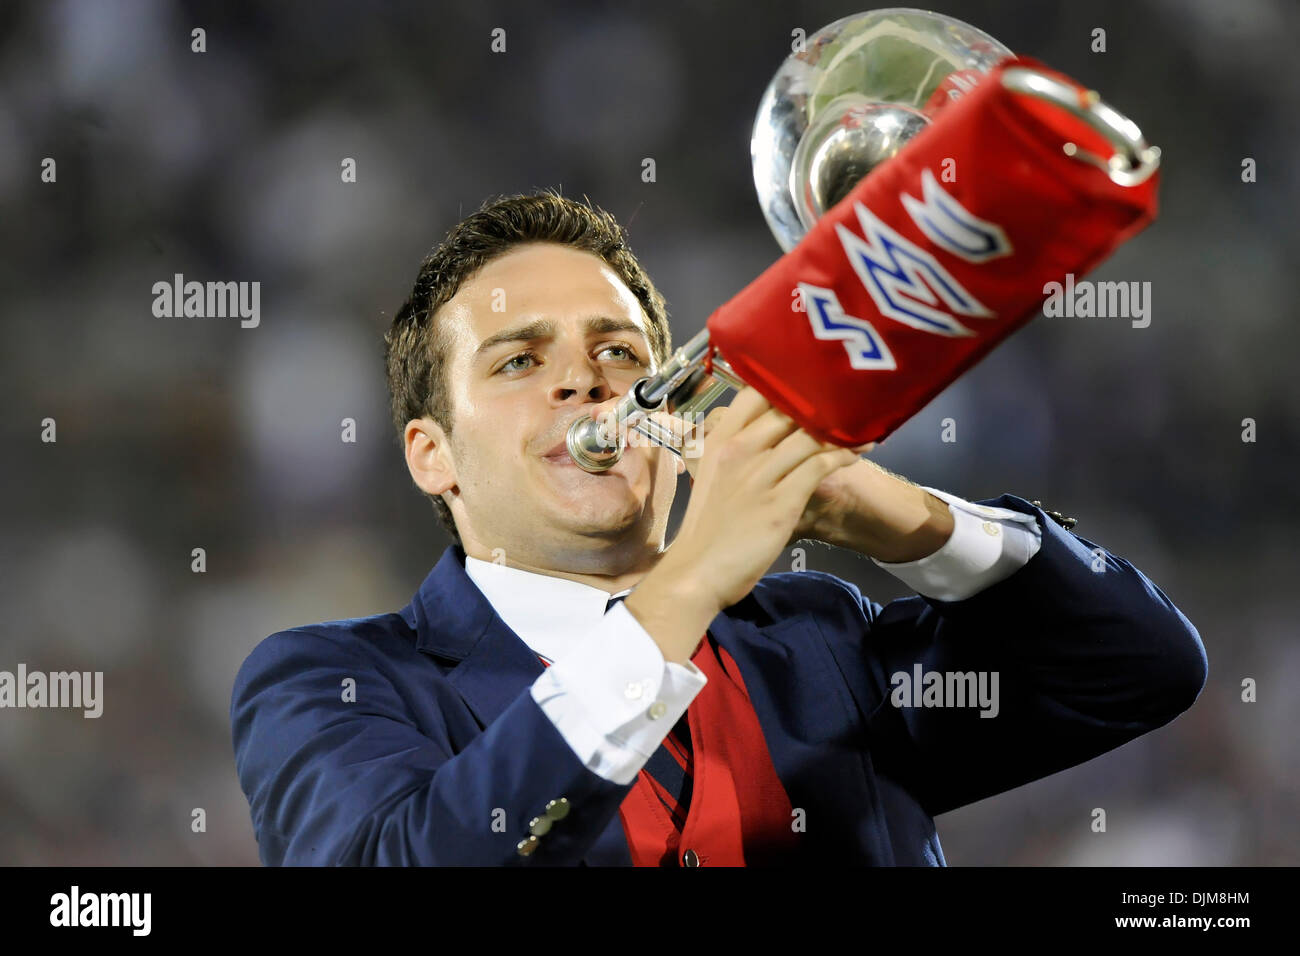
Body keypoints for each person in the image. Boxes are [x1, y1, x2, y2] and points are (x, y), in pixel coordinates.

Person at [230, 190, 1207, 866]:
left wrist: (896, 514)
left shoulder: (819, 640)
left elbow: (1137, 666)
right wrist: (683, 584)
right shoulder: (331, 679)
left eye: (618, 350)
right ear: (430, 453)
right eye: (519, 361)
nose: (586, 380)